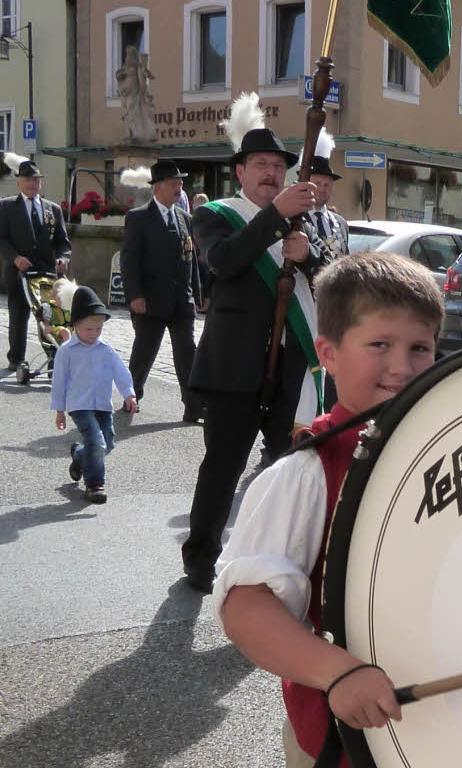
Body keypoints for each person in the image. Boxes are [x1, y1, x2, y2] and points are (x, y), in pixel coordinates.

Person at [215, 251, 444, 767]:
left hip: (444, 726)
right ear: (329, 353)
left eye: (420, 348)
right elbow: (245, 606)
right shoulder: (308, 472)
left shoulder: (452, 447)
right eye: (380, 345)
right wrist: (337, 672)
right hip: (342, 736)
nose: (402, 367)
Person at [182, 124, 324, 594]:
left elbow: (330, 281)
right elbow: (223, 261)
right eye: (261, 165)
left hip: (290, 368)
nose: (271, 173)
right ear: (240, 172)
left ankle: (278, 558)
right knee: (222, 468)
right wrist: (277, 216)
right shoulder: (216, 215)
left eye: (278, 167)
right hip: (234, 367)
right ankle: (201, 557)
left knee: (290, 472)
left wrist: (308, 256)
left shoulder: (302, 222)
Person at [120, 159, 203, 422]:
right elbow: (129, 260)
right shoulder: (138, 217)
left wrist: (198, 294)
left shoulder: (185, 218)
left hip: (181, 301)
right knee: (144, 352)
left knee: (187, 353)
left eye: (180, 182)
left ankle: (193, 406)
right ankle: (132, 396)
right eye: (173, 183)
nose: (179, 187)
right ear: (157, 187)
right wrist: (135, 295)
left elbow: (191, 259)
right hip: (150, 300)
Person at [50, 285, 137, 504]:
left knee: (107, 444)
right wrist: (59, 410)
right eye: (89, 329)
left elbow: (120, 371)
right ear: (75, 325)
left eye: (98, 329)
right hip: (79, 406)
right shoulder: (66, 351)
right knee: (97, 443)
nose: (94, 333)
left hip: (102, 405)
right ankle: (94, 484)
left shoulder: (106, 350)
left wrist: (129, 394)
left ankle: (79, 455)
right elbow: (59, 381)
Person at [0, 152, 71, 371]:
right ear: (19, 182)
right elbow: (0, 239)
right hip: (19, 273)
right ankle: (16, 358)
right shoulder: (7, 207)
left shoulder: (52, 209)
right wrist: (15, 258)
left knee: (49, 315)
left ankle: (53, 358)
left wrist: (62, 258)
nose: (32, 184)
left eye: (36, 180)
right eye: (28, 180)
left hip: (46, 274)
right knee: (19, 316)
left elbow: (63, 242)